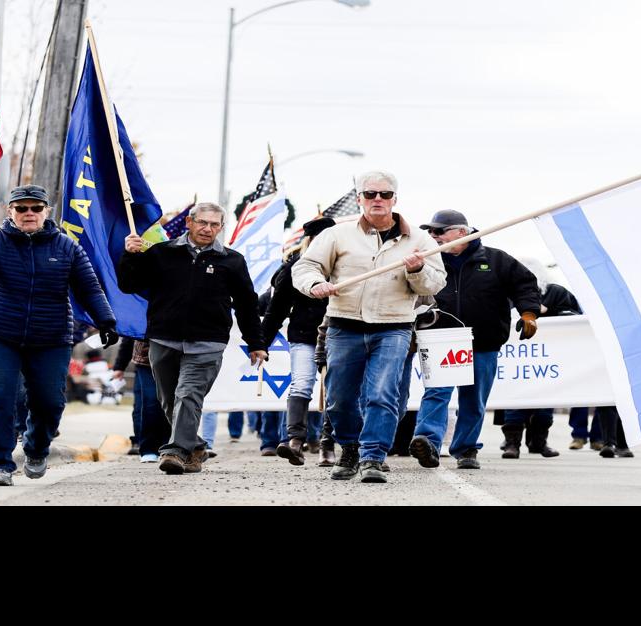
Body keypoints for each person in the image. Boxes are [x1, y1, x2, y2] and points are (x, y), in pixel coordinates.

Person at [0, 186, 117, 486]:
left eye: (36, 208)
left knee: (49, 402)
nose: (29, 213)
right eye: (22, 208)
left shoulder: (67, 247)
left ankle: (36, 448)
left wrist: (106, 320)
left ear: (46, 212)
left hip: (50, 336)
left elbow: (89, 287)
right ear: (10, 211)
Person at [293, 171, 445, 484]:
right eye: (371, 194)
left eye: (385, 195)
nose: (378, 200)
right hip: (344, 325)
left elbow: (435, 283)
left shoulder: (419, 240)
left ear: (395, 199)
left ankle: (373, 456)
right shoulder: (337, 235)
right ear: (360, 198)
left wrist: (417, 270)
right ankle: (348, 448)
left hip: (394, 327)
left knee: (382, 394)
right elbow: (305, 266)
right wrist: (315, 283)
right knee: (340, 397)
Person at [119, 202, 264, 476]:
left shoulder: (232, 261)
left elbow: (247, 304)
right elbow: (129, 284)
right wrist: (131, 256)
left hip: (208, 343)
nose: (208, 229)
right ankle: (196, 446)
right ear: (189, 222)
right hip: (163, 339)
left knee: (188, 395)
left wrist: (256, 343)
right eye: (202, 223)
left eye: (214, 225)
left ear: (221, 228)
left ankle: (175, 451)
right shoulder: (162, 253)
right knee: (168, 399)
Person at [406, 209, 540, 471]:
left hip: (484, 339)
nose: (433, 236)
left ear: (462, 232)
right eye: (430, 232)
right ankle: (428, 443)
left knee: (473, 398)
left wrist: (529, 313)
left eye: (439, 231)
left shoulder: (496, 259)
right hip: (441, 338)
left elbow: (525, 284)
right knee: (436, 393)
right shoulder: (428, 261)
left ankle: (466, 448)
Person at [259, 217, 335, 466]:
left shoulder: (347, 267)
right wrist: (261, 343)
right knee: (301, 384)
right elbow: (276, 309)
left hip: (340, 335)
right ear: (310, 241)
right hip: (304, 335)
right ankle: (294, 441)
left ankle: (328, 444)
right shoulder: (293, 268)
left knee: (336, 391)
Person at [501, 276, 582, 458]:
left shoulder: (557, 292)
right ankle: (512, 444)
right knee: (514, 401)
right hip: (517, 357)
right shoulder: (508, 293)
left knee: (546, 401)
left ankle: (539, 442)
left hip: (548, 357)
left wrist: (549, 311)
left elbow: (574, 317)